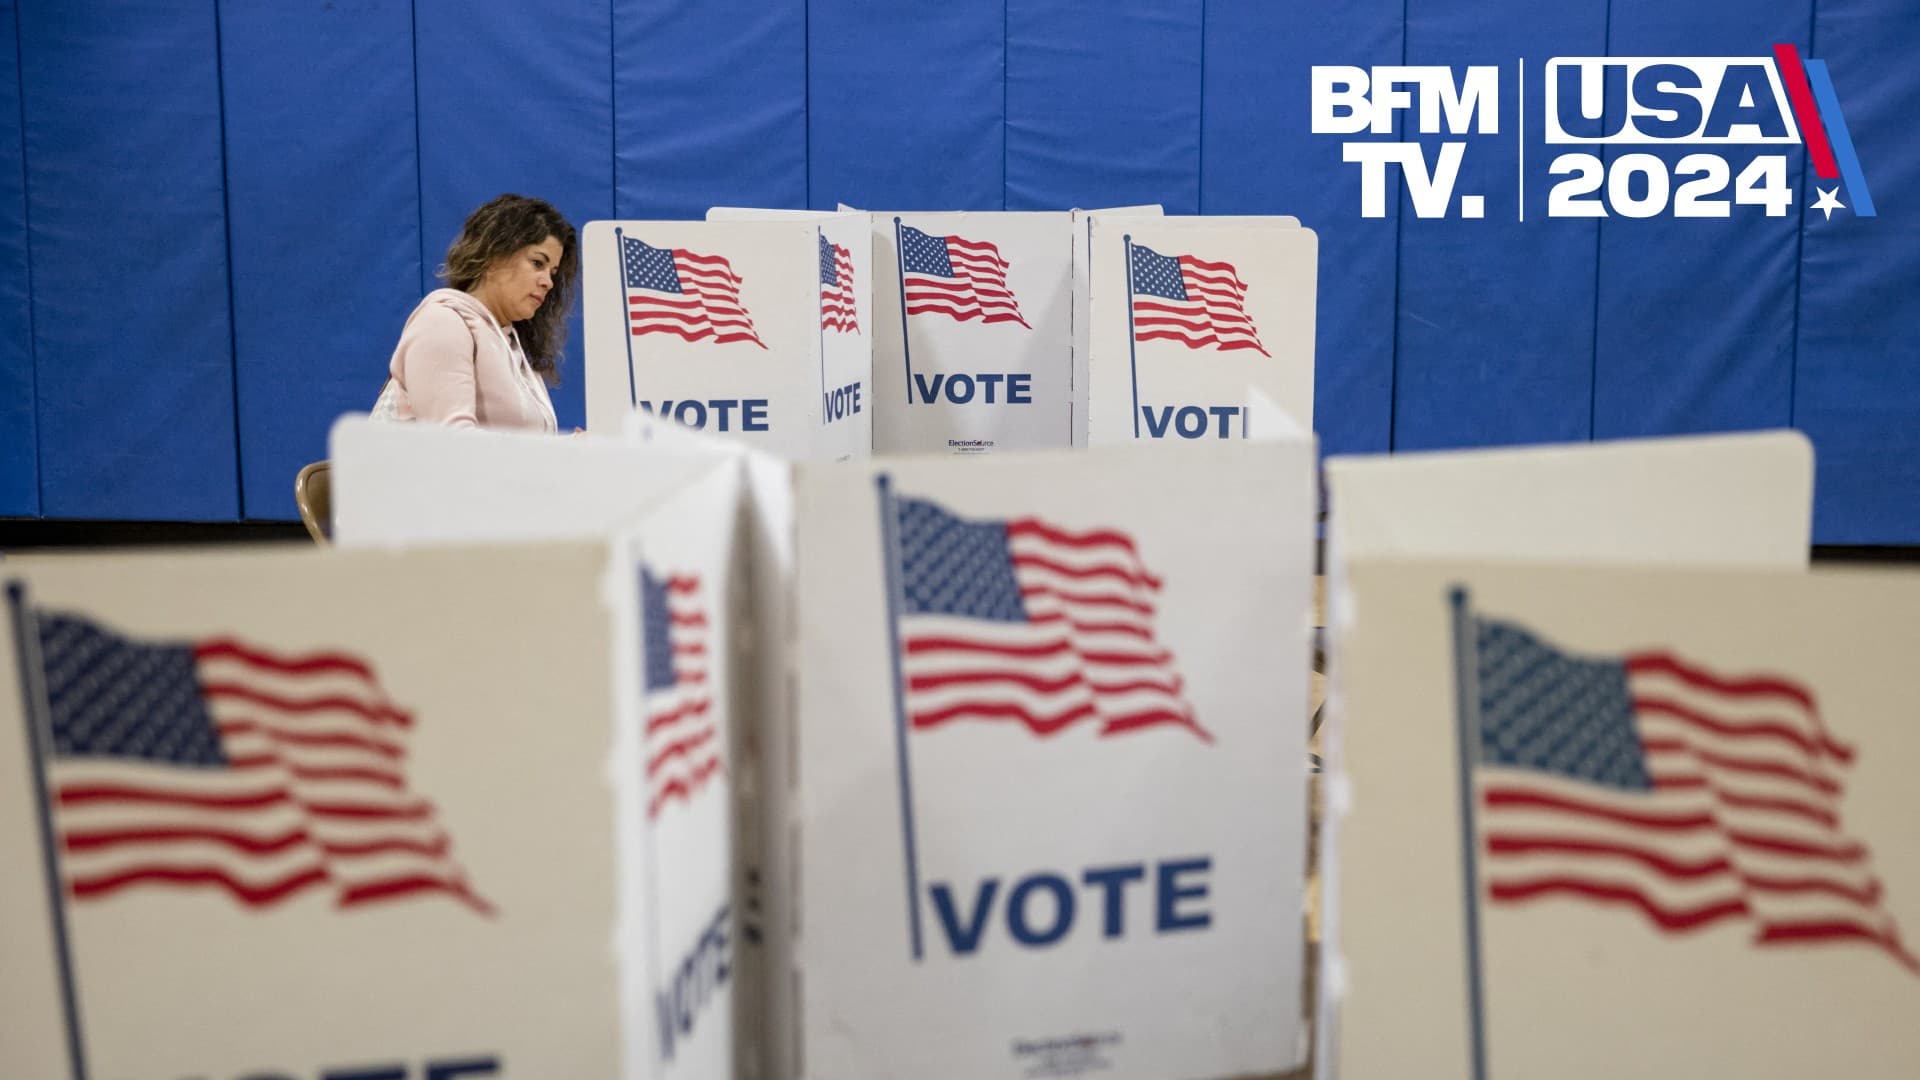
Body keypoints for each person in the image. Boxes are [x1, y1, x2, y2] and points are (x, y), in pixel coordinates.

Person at [372, 194, 578, 432]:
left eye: (552, 272)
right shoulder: (442, 322)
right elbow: (455, 447)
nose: (548, 282)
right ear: (494, 254)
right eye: (537, 263)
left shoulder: (510, 344)